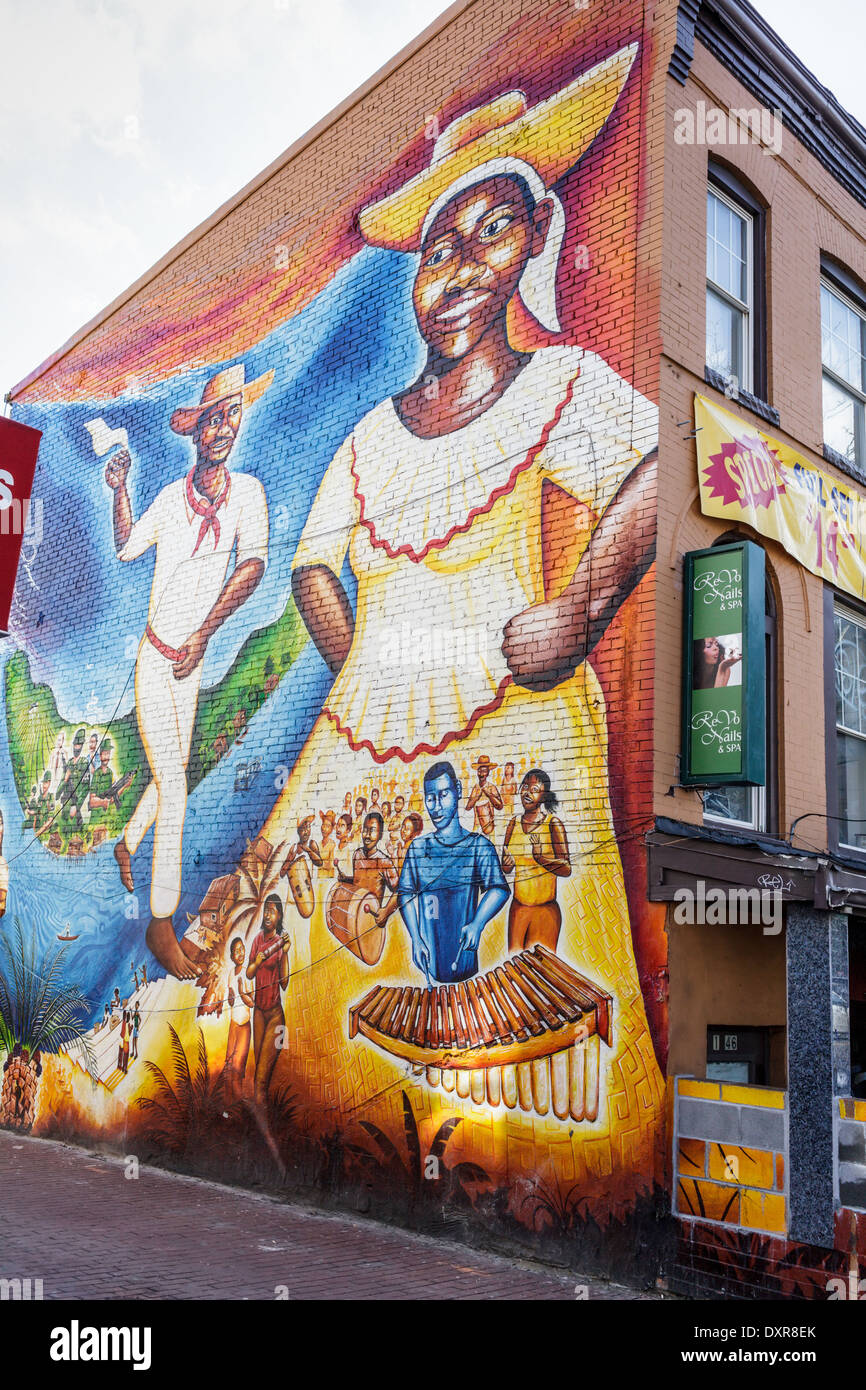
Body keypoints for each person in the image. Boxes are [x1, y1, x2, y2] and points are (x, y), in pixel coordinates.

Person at [260, 50, 664, 1155]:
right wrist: (359, 663)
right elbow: (311, 563)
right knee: (319, 968)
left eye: (490, 231)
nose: (458, 265)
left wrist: (579, 604)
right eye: (438, 244)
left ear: (533, 238)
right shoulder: (366, 436)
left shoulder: (561, 389)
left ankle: (549, 1164)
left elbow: (656, 470)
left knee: (535, 980)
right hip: (361, 741)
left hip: (519, 714)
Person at [106, 362, 272, 979]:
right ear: (196, 431)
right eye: (213, 418)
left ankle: (128, 840)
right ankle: (160, 925)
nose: (224, 427)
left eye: (234, 414)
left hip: (191, 662)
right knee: (174, 785)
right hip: (156, 659)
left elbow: (253, 565)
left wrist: (205, 634)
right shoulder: (170, 501)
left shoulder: (248, 494)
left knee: (171, 770)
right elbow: (126, 545)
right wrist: (119, 489)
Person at [398, 762, 508, 983]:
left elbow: (499, 889)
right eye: (430, 798)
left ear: (457, 790)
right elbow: (406, 893)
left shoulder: (478, 846)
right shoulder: (418, 849)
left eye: (444, 794)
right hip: (430, 972)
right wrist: (416, 939)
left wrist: (478, 923)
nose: (436, 806)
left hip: (467, 973)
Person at [501, 768, 571, 951]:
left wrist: (541, 858)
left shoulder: (552, 824)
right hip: (518, 909)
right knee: (513, 969)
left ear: (544, 796)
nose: (527, 792)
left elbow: (566, 868)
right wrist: (506, 865)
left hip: (545, 911)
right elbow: (506, 868)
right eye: (525, 787)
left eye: (534, 789)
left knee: (540, 971)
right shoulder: (513, 824)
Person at [246, 895, 291, 1110]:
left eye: (272, 911)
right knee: (259, 1076)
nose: (267, 915)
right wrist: (257, 961)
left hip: (275, 1018)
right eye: (266, 910)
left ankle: (262, 1134)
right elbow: (248, 973)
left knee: (261, 1080)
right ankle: (263, 1126)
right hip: (258, 1015)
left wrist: (285, 954)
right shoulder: (257, 940)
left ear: (279, 915)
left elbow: (284, 983)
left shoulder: (280, 941)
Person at [223, 937, 254, 1101]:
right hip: (233, 1024)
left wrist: (242, 991)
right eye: (237, 951)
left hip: (244, 1026)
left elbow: (252, 1002)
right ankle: (228, 1107)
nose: (240, 953)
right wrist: (231, 996)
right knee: (228, 1066)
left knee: (237, 1068)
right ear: (232, 956)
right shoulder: (230, 974)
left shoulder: (248, 972)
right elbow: (231, 1001)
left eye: (242, 949)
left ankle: (239, 1108)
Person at [466, 754, 503, 838]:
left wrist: (489, 795)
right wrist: (476, 797)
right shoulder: (476, 788)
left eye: (484, 771)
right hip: (477, 827)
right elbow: (468, 807)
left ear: (488, 773)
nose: (481, 774)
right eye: (479, 771)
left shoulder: (491, 787)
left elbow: (500, 806)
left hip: (488, 828)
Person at [87, 738, 117, 831]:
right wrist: (103, 802)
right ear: (100, 756)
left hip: (105, 821)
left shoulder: (110, 773)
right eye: (104, 753)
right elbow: (91, 801)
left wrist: (123, 786)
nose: (106, 757)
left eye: (108, 753)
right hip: (95, 822)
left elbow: (112, 799)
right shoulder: (97, 774)